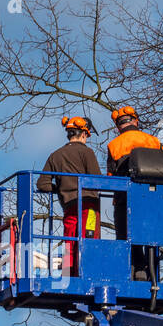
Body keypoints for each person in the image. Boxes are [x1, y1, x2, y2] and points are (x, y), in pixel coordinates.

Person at [105, 105, 163, 279]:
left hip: (125, 199)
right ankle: (152, 273)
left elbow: (111, 178)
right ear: (136, 121)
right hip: (152, 198)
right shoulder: (154, 141)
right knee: (151, 237)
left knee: (126, 238)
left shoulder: (114, 145)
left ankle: (134, 270)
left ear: (118, 126)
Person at [36, 116, 100, 274]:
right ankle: (89, 272)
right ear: (84, 134)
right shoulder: (87, 152)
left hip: (69, 207)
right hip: (89, 206)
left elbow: (42, 184)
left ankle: (70, 274)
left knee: (70, 241)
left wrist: (61, 189)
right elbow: (98, 180)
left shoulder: (55, 155)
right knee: (89, 240)